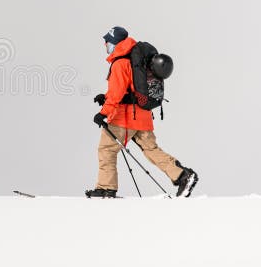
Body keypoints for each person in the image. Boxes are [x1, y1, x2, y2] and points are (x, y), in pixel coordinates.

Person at [85, 26, 198, 198]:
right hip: (143, 116)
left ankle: (106, 188)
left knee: (106, 149)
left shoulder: (120, 63)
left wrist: (103, 113)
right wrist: (105, 96)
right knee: (151, 149)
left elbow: (117, 93)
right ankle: (183, 176)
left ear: (115, 42)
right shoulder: (135, 58)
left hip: (124, 119)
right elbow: (127, 90)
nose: (106, 44)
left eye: (107, 41)